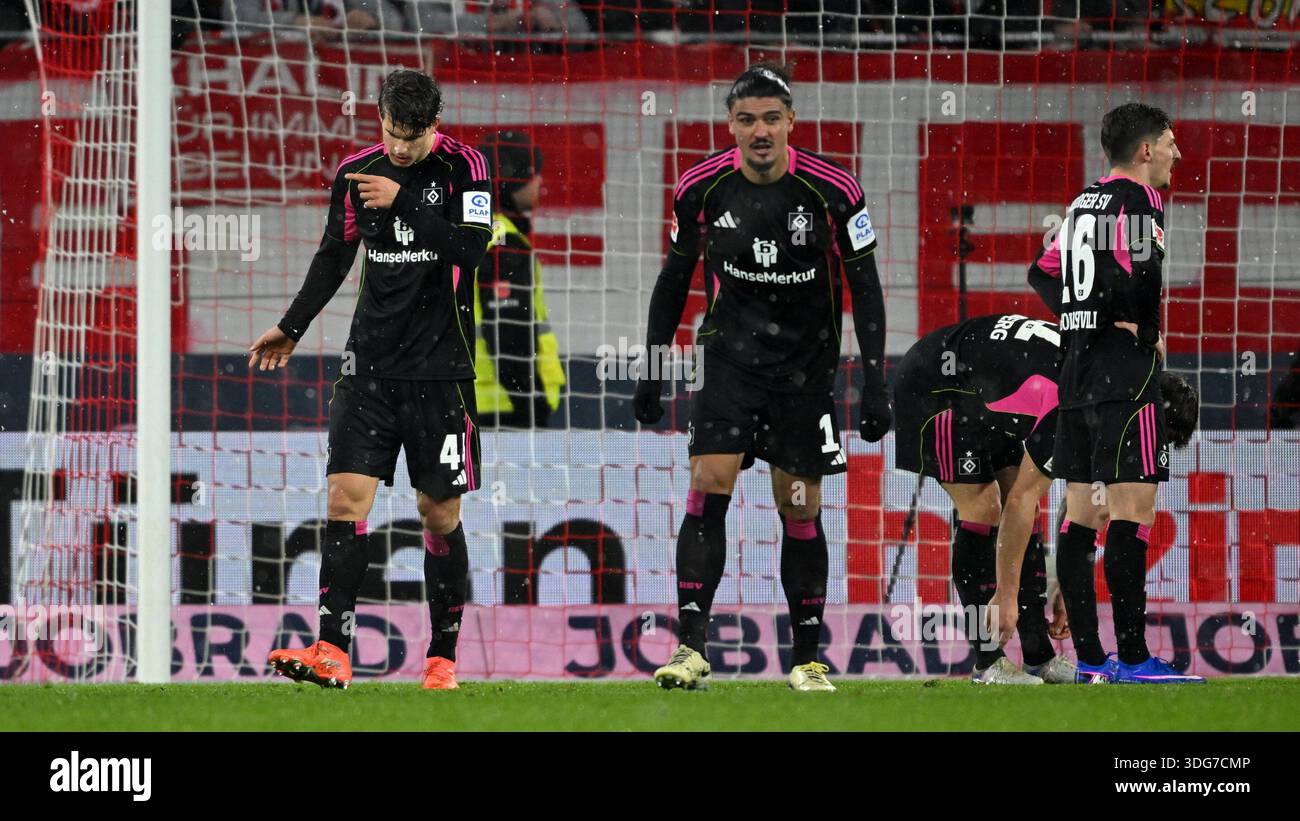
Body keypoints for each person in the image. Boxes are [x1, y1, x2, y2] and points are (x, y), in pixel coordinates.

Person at [634, 63, 892, 692]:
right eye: (746, 119)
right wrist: (652, 362)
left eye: (771, 118)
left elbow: (866, 287)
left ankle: (806, 658)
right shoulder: (699, 188)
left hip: (805, 373)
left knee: (799, 508)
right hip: (729, 362)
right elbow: (674, 281)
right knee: (708, 484)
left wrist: (878, 380)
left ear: (791, 123)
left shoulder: (835, 191)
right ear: (731, 125)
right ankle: (691, 647)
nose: (759, 131)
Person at [248, 69, 494, 690]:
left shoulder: (469, 168)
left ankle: (441, 659)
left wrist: (405, 198)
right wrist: (292, 327)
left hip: (441, 373)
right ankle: (331, 650)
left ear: (434, 124)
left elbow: (471, 250)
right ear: (379, 118)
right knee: (344, 501)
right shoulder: (357, 173)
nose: (400, 148)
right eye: (391, 132)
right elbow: (335, 254)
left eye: (412, 137)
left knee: (438, 514)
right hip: (368, 370)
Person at [1027, 101, 1204, 684]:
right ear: (1146, 149)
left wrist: (1081, 317)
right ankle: (1133, 659)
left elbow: (1041, 273)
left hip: (1075, 374)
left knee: (1081, 515)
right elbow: (1146, 272)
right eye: (1171, 142)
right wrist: (1144, 331)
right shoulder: (1141, 199)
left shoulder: (1082, 203)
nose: (1178, 153)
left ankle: (1090, 662)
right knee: (1133, 509)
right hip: (1124, 373)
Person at [893, 313, 1074, 684]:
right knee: (985, 507)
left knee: (1022, 502)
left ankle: (1039, 655)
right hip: (938, 386)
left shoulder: (1096, 382)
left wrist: (1068, 584)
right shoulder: (1074, 399)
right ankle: (987, 660)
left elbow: (1079, 496)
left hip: (985, 392)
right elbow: (1021, 502)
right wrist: (1006, 597)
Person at [474, 130, 565, 428]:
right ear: (513, 179)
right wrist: (531, 402)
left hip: (483, 400)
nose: (540, 181)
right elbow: (507, 332)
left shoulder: (476, 231)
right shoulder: (504, 242)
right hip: (504, 406)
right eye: (534, 174)